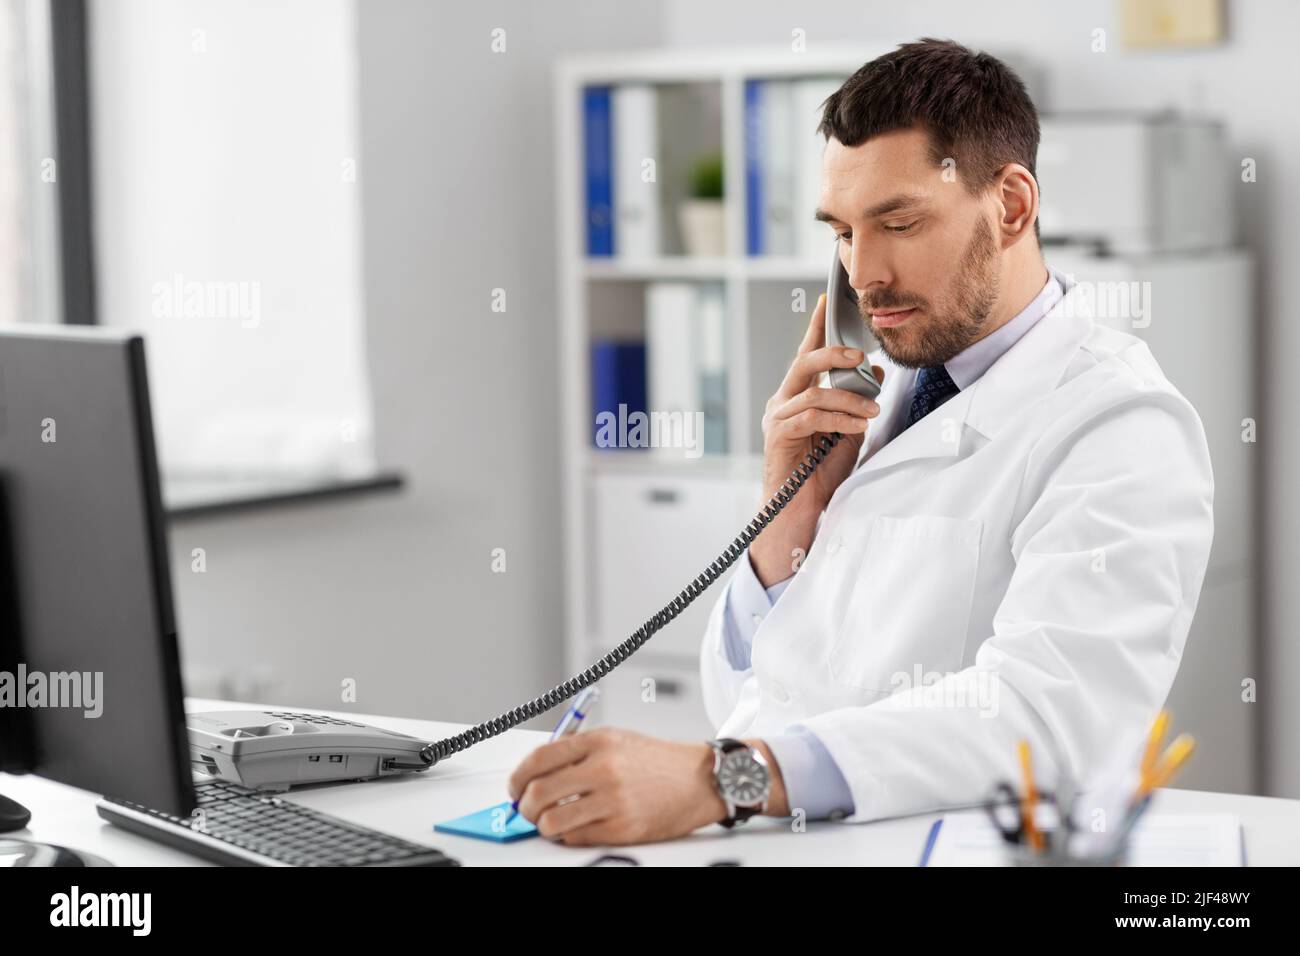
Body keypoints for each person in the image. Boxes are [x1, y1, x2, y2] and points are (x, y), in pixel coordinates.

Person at [507, 38, 1214, 845]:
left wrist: (723, 779)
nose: (862, 274)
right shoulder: (866, 403)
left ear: (1011, 206)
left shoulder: (1121, 423)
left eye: (898, 222)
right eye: (842, 232)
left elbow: (1049, 719)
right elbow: (745, 697)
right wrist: (787, 519)